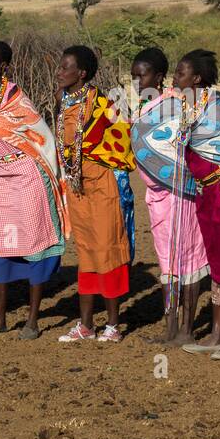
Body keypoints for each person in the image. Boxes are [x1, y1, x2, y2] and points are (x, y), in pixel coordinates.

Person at [0, 40, 68, 338]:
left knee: (36, 244)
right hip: (1, 176)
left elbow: (43, 137)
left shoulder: (16, 101)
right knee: (4, 244)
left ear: (2, 66)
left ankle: (32, 321)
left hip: (28, 174)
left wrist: (54, 175)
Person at [172, 49, 220, 359]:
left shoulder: (217, 109)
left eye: (180, 73)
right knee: (218, 263)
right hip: (205, 194)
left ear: (197, 78)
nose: (175, 79)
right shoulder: (186, 108)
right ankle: (217, 334)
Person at [54, 45, 135, 343]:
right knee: (86, 250)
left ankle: (113, 325)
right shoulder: (64, 101)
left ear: (82, 73)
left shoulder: (104, 104)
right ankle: (86, 324)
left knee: (108, 248)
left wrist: (91, 154)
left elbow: (122, 140)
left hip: (101, 183)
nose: (60, 72)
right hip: (77, 186)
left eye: (66, 67)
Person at [130, 47, 209, 343]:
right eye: (134, 76)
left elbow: (185, 150)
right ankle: (171, 328)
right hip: (157, 199)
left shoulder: (175, 106)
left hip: (180, 196)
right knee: (167, 263)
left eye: (143, 75)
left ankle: (186, 329)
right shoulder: (144, 108)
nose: (137, 81)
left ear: (159, 77)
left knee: (185, 261)